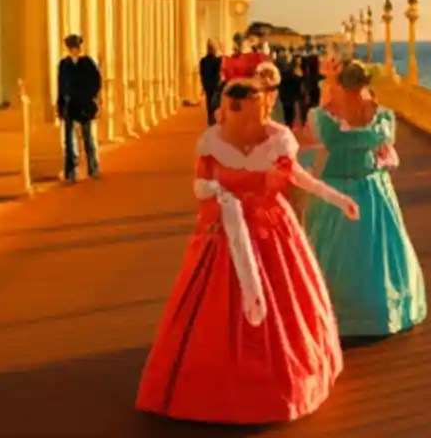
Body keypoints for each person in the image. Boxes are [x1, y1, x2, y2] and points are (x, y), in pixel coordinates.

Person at [135, 76, 361, 424]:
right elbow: (198, 184)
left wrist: (336, 198)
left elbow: (299, 177)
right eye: (234, 108)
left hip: (271, 231)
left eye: (248, 107)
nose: (239, 115)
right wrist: (215, 192)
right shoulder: (212, 144)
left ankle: (274, 384)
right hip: (226, 230)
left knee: (282, 304)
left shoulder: (276, 141)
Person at [302, 60, 427, 337]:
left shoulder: (325, 117)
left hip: (352, 191)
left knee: (351, 253)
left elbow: (334, 143)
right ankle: (365, 309)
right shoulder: (377, 117)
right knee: (369, 253)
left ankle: (349, 309)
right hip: (360, 190)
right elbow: (372, 141)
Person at [56, 34, 101, 182]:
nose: (74, 51)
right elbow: (60, 86)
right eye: (72, 48)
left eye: (76, 48)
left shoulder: (87, 63)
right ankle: (71, 172)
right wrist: (60, 104)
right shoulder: (64, 64)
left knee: (88, 137)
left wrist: (90, 95)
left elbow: (96, 81)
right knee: (68, 140)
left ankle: (93, 167)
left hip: (84, 105)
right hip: (70, 105)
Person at [199, 40, 223, 126]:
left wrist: (202, 84)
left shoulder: (203, 60)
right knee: (215, 102)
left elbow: (202, 73)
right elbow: (219, 72)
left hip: (207, 83)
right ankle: (213, 118)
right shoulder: (218, 60)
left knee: (208, 101)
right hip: (215, 83)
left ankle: (210, 118)